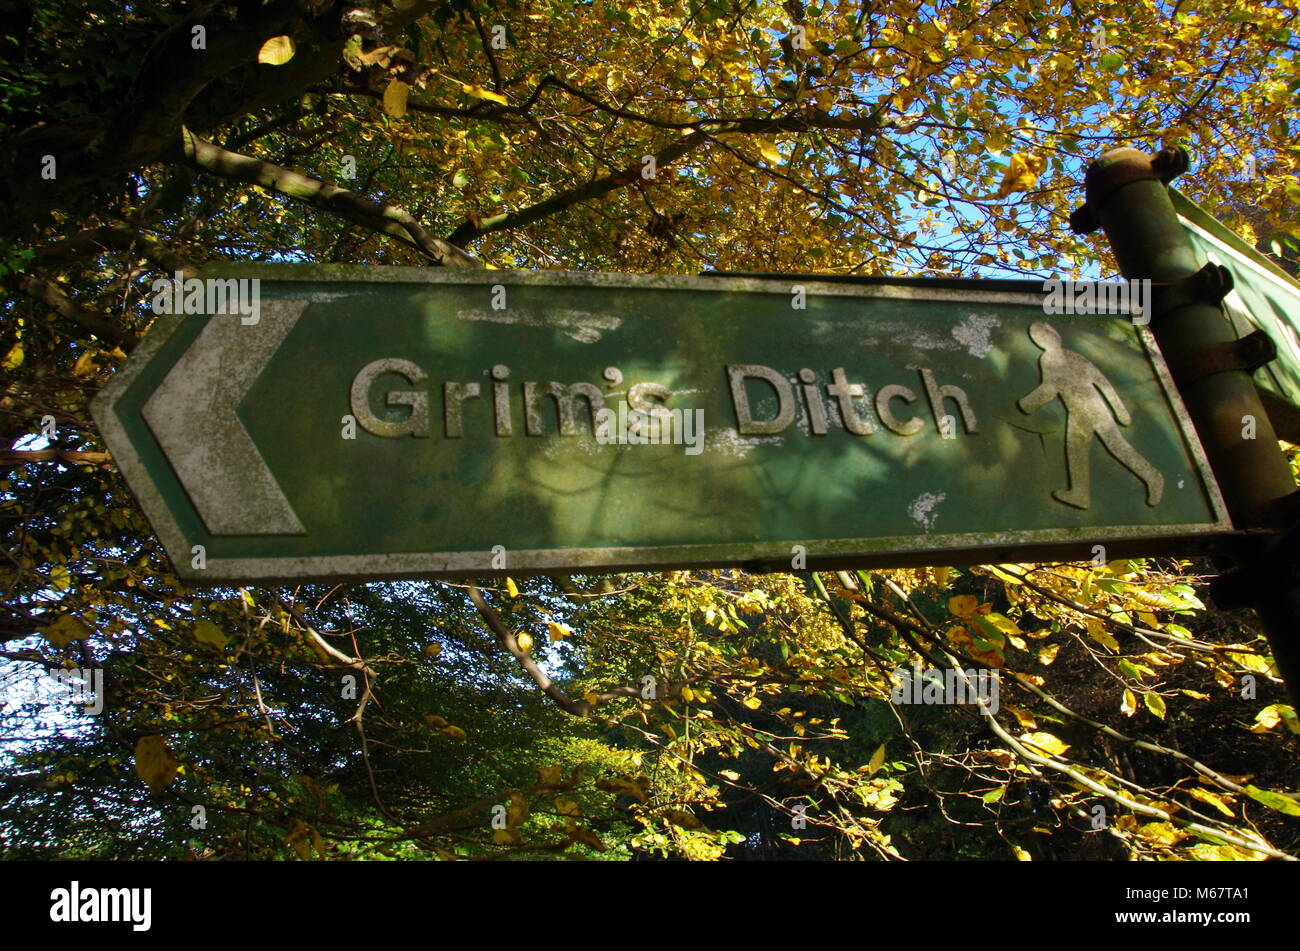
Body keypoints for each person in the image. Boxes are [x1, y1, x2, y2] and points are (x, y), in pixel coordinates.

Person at [1018, 321, 1163, 510]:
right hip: (1078, 412)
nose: (1040, 339)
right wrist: (1030, 403)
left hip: (1092, 408)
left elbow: (1098, 382)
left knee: (1117, 448)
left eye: (1043, 334)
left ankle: (1153, 478)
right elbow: (1053, 388)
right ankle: (1080, 494)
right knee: (1077, 451)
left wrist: (1028, 403)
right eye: (1036, 336)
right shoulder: (1050, 359)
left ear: (1054, 335)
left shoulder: (1063, 358)